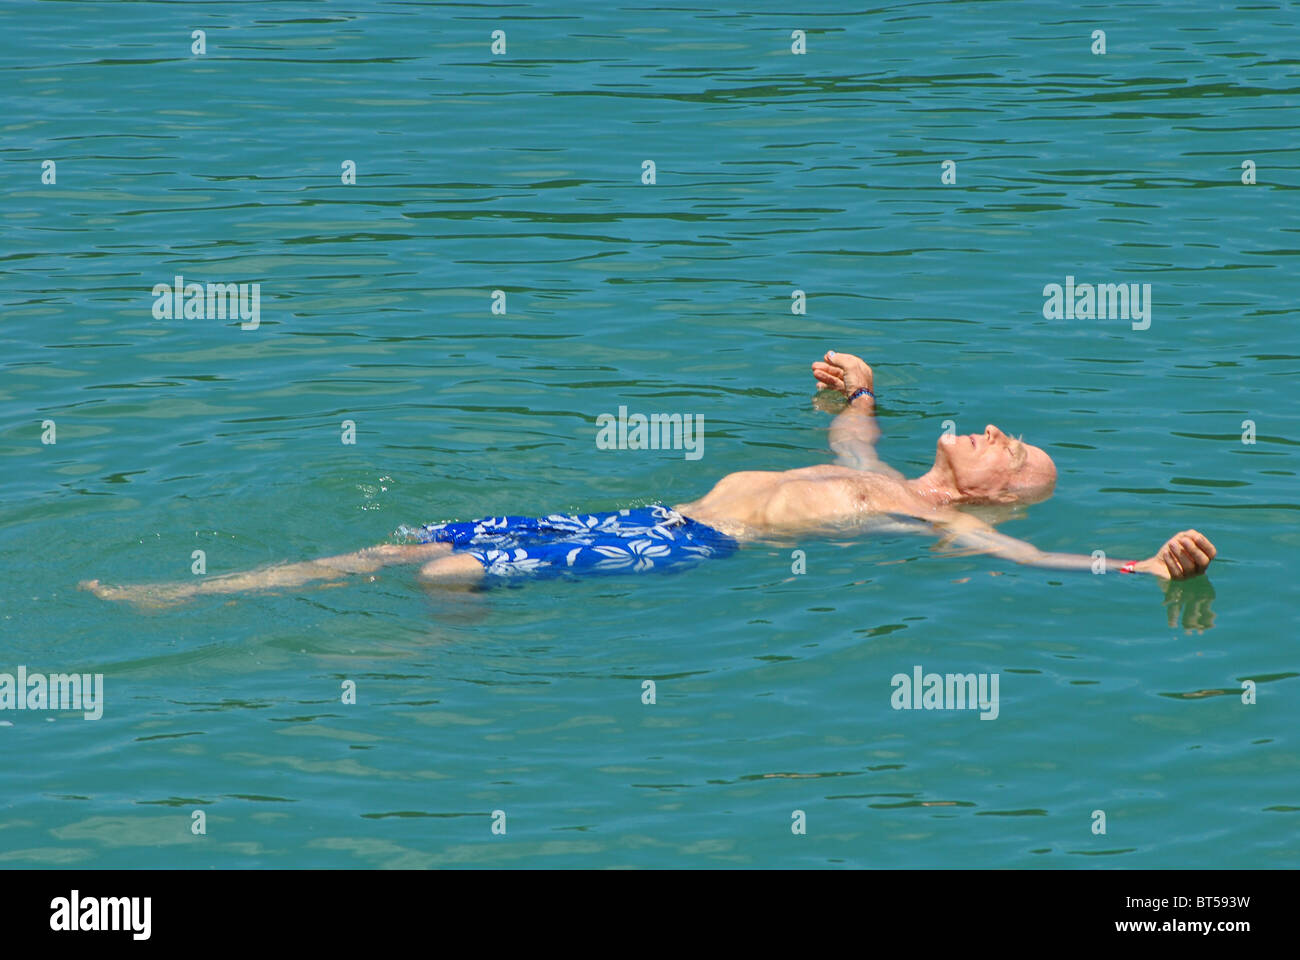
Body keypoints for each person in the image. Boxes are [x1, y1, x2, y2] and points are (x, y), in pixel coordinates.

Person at [81, 350, 1216, 605]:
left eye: (1012, 453)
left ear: (986, 490)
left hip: (684, 545)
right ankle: (194, 590)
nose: (1001, 432)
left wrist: (1140, 563)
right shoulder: (876, 466)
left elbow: (1032, 556)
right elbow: (844, 435)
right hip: (633, 517)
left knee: (444, 574)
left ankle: (433, 649)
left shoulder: (931, 518)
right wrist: (860, 385)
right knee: (405, 538)